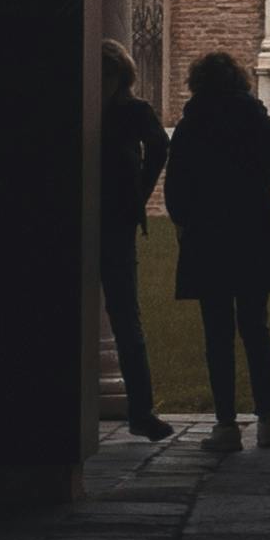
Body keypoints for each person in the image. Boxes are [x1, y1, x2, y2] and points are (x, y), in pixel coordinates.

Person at [159, 45, 270, 454]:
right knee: (256, 328)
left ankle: (226, 424)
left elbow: (175, 189)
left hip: (208, 235)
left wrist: (186, 223)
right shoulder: (255, 120)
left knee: (218, 333)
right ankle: (267, 421)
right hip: (251, 231)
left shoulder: (192, 125)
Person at [95, 38, 171, 446]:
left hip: (115, 222)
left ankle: (141, 410)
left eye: (106, 73)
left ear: (118, 76)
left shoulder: (131, 110)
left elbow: (161, 146)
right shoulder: (99, 111)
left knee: (126, 317)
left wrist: (139, 191)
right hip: (93, 219)